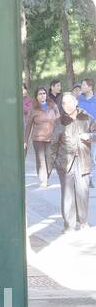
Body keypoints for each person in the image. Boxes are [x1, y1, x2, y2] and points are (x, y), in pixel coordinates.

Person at [50, 91, 96, 233]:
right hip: (65, 161)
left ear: (75, 103)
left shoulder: (87, 118)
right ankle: (69, 225)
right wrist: (55, 163)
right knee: (68, 194)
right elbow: (53, 144)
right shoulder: (59, 122)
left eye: (68, 102)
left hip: (83, 159)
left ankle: (83, 221)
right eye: (63, 103)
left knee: (83, 191)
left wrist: (89, 136)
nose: (65, 105)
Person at [24, 87, 59, 188]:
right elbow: (29, 126)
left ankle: (45, 176)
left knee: (50, 158)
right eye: (40, 94)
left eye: (44, 93)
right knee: (41, 159)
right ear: (36, 96)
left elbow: (59, 121)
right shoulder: (33, 109)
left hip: (51, 138)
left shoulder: (53, 106)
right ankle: (43, 179)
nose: (42, 95)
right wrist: (25, 141)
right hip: (38, 138)